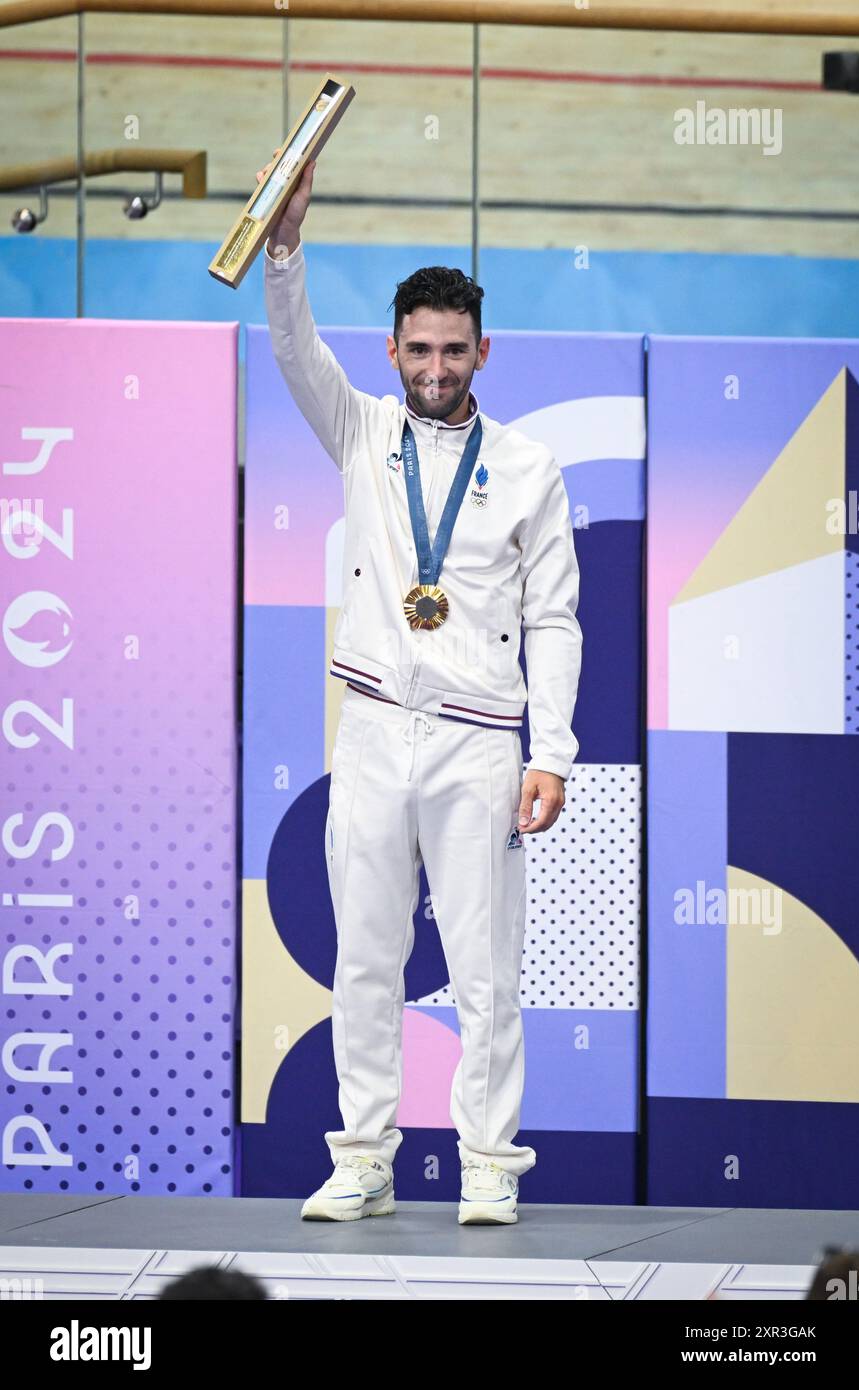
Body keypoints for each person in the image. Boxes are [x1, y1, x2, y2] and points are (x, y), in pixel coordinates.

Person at [257, 151, 582, 1225]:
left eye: (453, 349)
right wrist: (286, 245)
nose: (434, 366)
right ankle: (362, 1157)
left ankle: (487, 1160)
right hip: (373, 735)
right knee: (367, 956)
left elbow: (553, 620)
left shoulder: (530, 468)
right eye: (418, 349)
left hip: (482, 743)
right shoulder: (360, 431)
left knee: (486, 969)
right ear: (389, 349)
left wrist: (551, 752)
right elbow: (294, 350)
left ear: (482, 350)